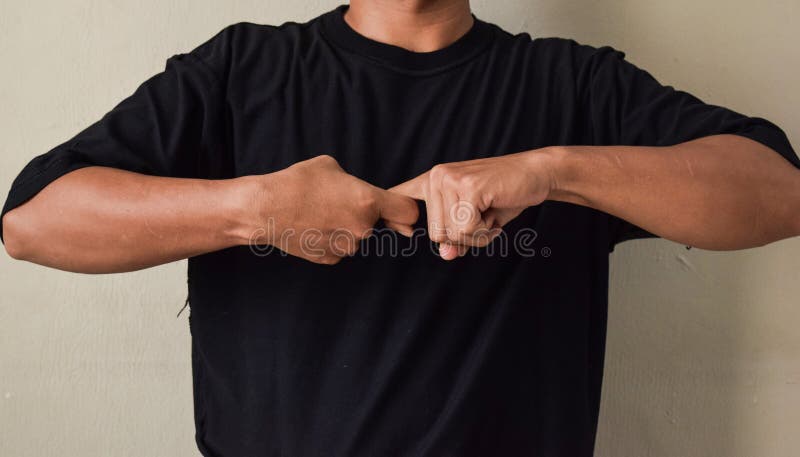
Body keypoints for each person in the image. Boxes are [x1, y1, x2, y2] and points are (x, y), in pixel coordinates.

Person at [2, 1, 799, 455]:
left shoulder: (571, 85)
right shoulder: (242, 72)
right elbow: (34, 221)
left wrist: (554, 171)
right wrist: (252, 209)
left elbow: (779, 190)